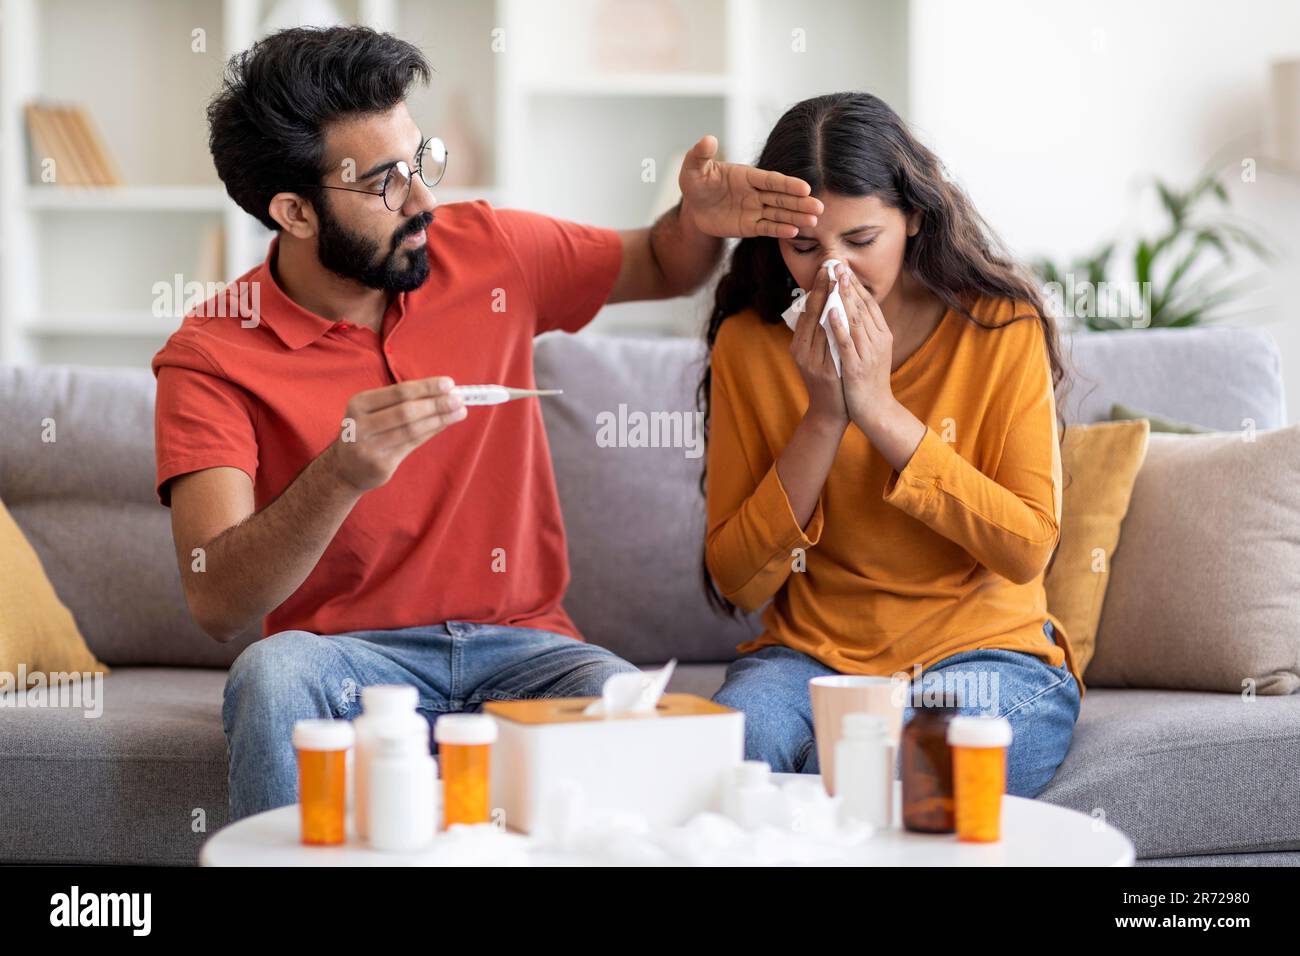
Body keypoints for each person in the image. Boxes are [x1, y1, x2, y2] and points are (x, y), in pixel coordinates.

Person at [153, 26, 823, 820]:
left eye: (420, 162)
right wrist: (338, 475)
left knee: (637, 714)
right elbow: (219, 604)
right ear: (294, 212)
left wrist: (699, 218)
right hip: (346, 665)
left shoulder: (490, 251)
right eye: (385, 185)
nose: (424, 199)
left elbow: (662, 262)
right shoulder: (212, 354)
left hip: (527, 651)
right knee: (271, 675)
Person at [701, 92, 1083, 798]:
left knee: (885, 774)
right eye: (805, 247)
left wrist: (877, 409)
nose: (831, 273)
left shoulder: (1001, 326)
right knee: (724, 765)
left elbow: (1026, 547)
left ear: (913, 216)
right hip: (810, 658)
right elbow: (739, 579)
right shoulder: (749, 346)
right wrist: (823, 419)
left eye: (861, 240)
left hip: (983, 653)